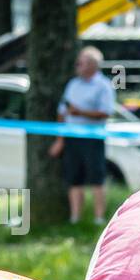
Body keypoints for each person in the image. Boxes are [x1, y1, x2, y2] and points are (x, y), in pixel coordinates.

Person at [48, 46, 117, 224]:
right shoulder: (73, 84)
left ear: (93, 65)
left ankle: (99, 218)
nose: (77, 64)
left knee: (96, 178)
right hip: (72, 137)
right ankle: (75, 218)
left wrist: (81, 113)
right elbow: (62, 112)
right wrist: (60, 139)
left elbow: (106, 112)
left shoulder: (103, 86)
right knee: (74, 178)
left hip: (93, 138)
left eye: (82, 61)